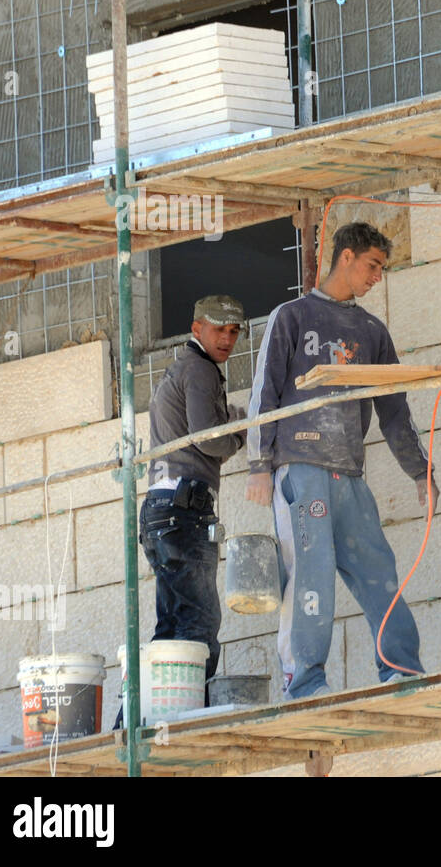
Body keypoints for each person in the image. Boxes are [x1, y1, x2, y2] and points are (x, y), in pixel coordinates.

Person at [246, 221, 437, 699]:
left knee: (379, 570)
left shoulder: (372, 331)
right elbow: (263, 393)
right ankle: (305, 683)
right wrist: (258, 465)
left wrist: (422, 472)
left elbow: (395, 411)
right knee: (309, 576)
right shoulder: (291, 315)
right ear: (346, 257)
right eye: (373, 265)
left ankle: (400, 668)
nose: (377, 277)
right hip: (300, 470)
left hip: (348, 475)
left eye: (383, 269)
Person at [141, 294, 247, 687]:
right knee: (199, 623)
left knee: (172, 626)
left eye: (234, 331)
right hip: (185, 511)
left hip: (161, 509)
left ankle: (146, 715)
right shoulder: (200, 370)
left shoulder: (182, 370)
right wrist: (239, 433)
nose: (227, 338)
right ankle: (181, 717)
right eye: (219, 329)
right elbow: (210, 441)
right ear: (196, 328)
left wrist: (229, 424)